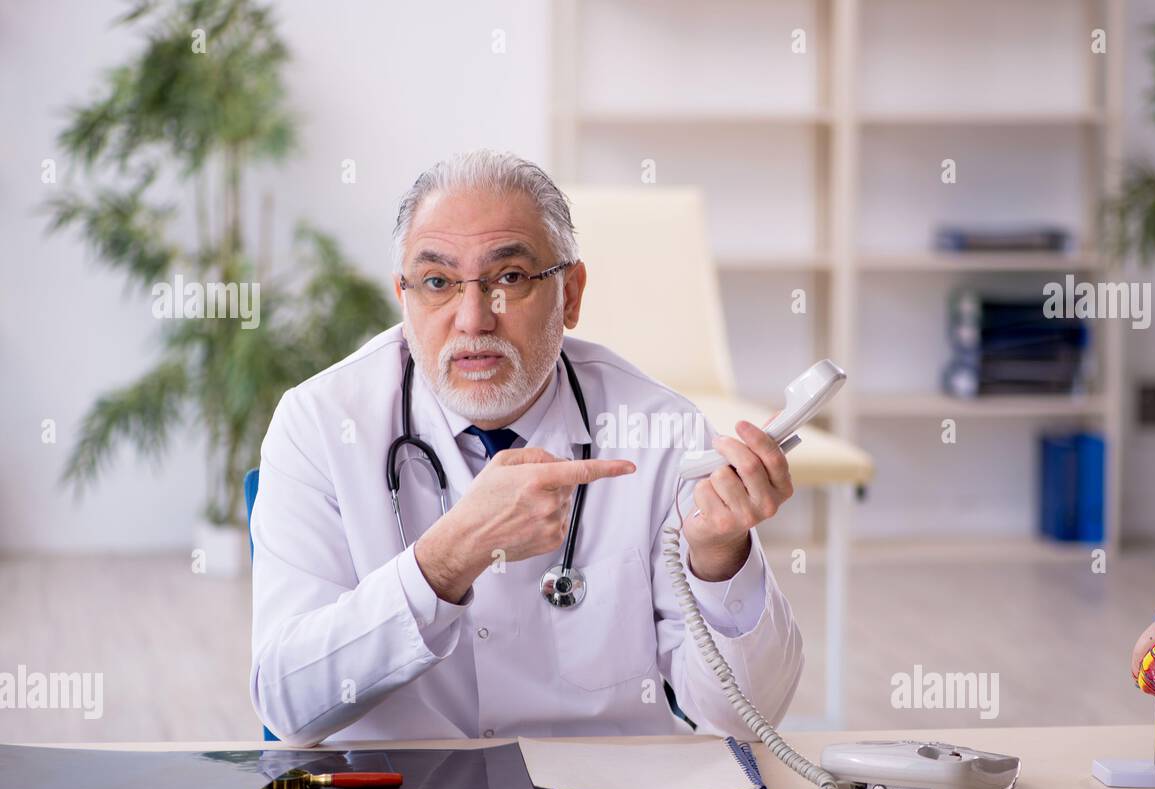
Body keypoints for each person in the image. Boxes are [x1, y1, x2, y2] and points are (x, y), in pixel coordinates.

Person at [249, 150, 804, 746]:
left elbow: (747, 718)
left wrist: (720, 559)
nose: (472, 319)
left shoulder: (660, 429)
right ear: (403, 299)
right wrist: (447, 559)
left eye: (509, 278)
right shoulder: (321, 424)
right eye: (437, 282)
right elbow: (289, 702)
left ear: (570, 294)